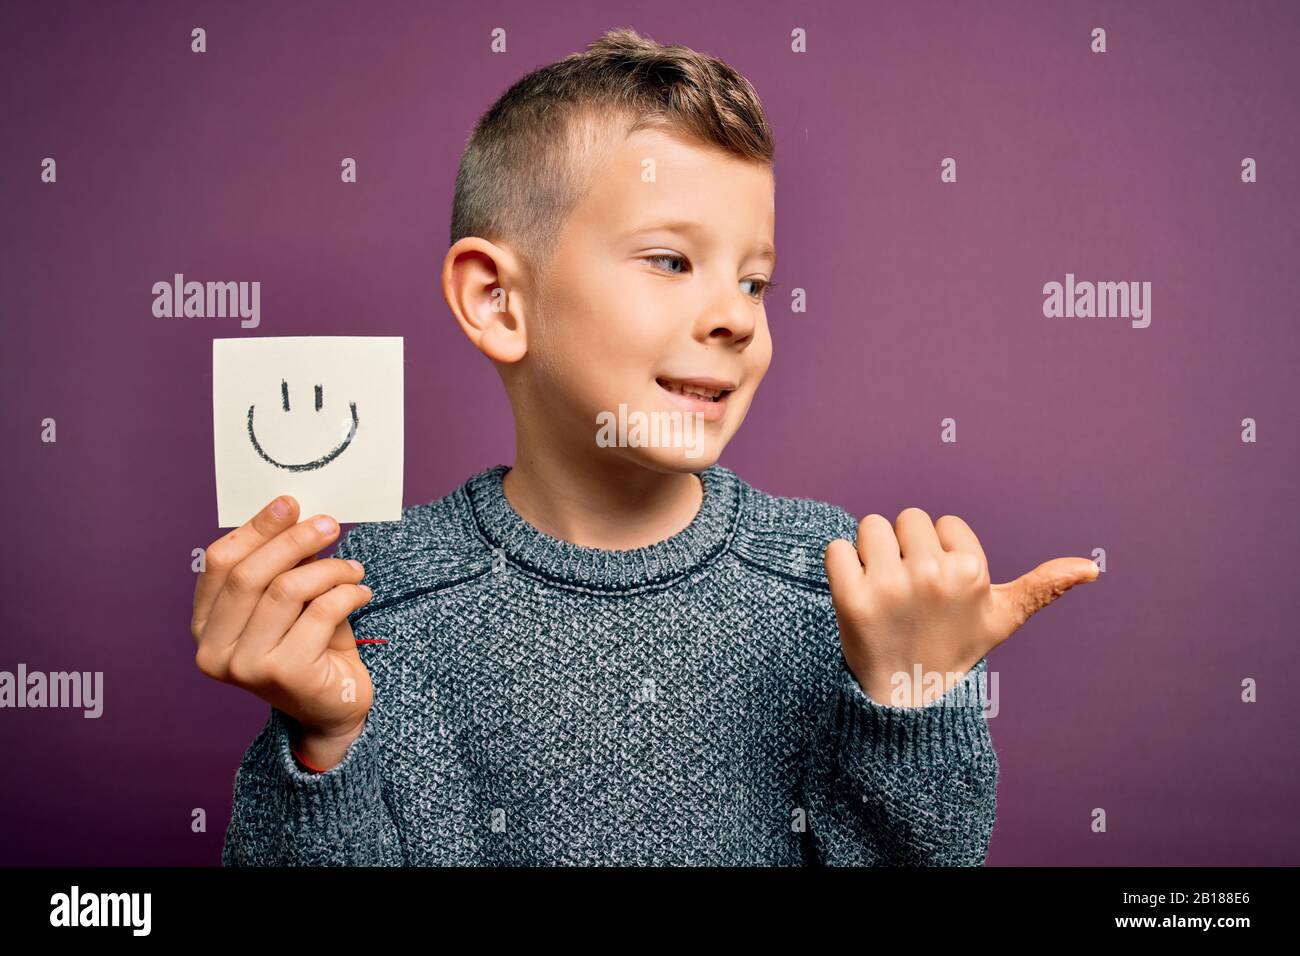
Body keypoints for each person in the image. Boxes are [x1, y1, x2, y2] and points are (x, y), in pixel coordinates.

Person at [192, 27, 1098, 866]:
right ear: (498, 302)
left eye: (756, 280)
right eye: (671, 260)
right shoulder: (361, 601)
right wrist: (322, 747)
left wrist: (910, 701)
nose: (736, 316)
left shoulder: (848, 588)